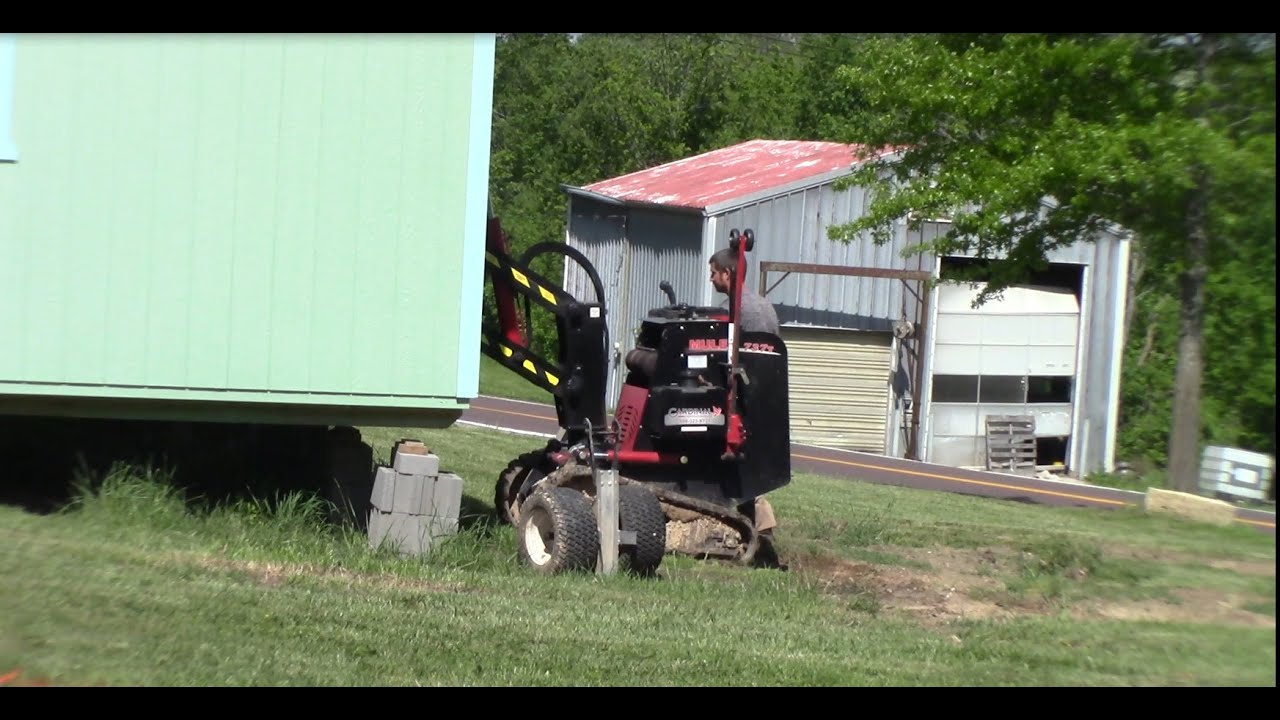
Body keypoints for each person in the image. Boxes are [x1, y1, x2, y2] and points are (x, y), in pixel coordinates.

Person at [707, 247, 785, 570]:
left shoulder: (736, 312)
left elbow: (725, 356)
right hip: (763, 397)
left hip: (741, 397)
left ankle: (741, 527)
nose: (711, 278)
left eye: (714, 272)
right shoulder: (765, 307)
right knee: (749, 471)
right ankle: (760, 528)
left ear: (727, 274)